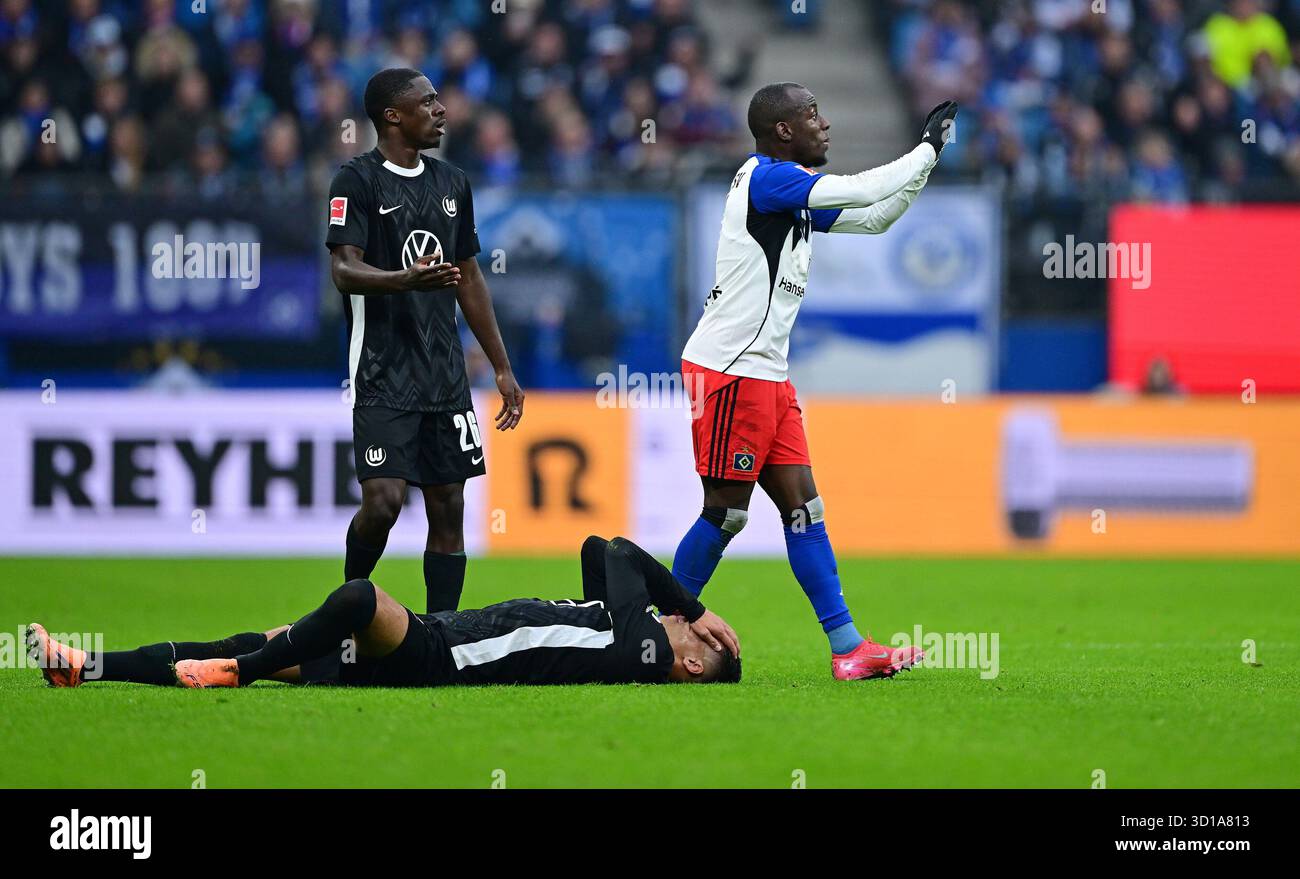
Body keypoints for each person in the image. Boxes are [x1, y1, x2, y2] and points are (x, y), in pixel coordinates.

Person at [672, 82, 955, 680]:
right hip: (730, 370)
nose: (824, 126)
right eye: (812, 116)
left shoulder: (788, 198)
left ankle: (849, 647)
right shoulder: (770, 179)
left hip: (767, 375)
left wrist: (929, 164)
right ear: (782, 131)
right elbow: (862, 188)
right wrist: (924, 150)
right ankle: (656, 630)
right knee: (726, 514)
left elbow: (875, 217)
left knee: (804, 510)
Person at [26, 537, 741, 690]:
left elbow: (621, 556)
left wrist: (694, 606)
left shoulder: (641, 650)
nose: (682, 626)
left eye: (696, 640)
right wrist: (686, 606)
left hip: (439, 657)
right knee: (269, 639)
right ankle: (85, 665)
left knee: (360, 598)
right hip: (435, 644)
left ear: (689, 662)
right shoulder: (624, 630)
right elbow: (599, 546)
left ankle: (238, 673)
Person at [327, 67, 525, 615]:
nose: (441, 109)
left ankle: (444, 634)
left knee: (448, 504)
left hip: (445, 377)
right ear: (393, 115)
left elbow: (470, 276)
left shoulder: (452, 183)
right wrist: (403, 281)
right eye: (428, 101)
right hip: (382, 371)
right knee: (384, 502)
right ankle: (346, 611)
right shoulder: (356, 180)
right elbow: (344, 270)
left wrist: (501, 366)